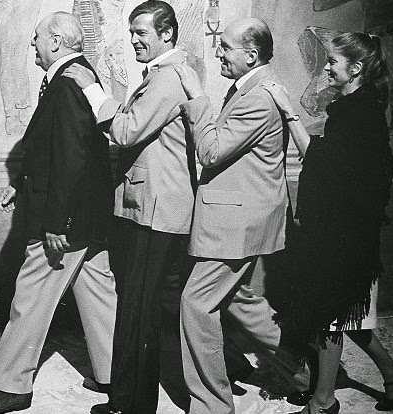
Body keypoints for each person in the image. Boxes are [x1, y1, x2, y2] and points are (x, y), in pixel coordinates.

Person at [63, 2, 253, 413]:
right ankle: (152, 391)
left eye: (142, 33)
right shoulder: (164, 74)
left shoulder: (167, 77)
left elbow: (127, 131)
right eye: (132, 32)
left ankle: (132, 404)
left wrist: (93, 90)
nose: (134, 40)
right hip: (154, 209)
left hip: (155, 212)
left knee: (138, 310)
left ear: (167, 34)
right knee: (154, 306)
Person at [0, 11, 117, 414]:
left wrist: (57, 223)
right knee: (98, 294)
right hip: (85, 215)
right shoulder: (70, 78)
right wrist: (20, 183)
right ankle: (118, 373)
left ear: (55, 41)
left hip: (65, 220)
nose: (32, 43)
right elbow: (53, 148)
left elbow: (72, 158)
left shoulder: (69, 83)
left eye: (36, 37)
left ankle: (9, 385)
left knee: (31, 297)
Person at [263, 32, 393, 414]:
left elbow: (319, 163)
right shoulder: (354, 107)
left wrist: (288, 111)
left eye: (333, 61)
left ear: (356, 68)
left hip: (346, 234)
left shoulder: (358, 114)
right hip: (344, 227)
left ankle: (324, 401)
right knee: (349, 316)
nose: (327, 68)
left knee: (330, 314)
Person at [173, 17, 309, 414]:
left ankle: (212, 406)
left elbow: (212, 151)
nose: (218, 52)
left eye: (225, 47)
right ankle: (303, 373)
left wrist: (197, 97)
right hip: (242, 216)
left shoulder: (257, 98)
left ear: (251, 55)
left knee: (195, 304)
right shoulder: (251, 88)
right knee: (237, 299)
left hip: (237, 221)